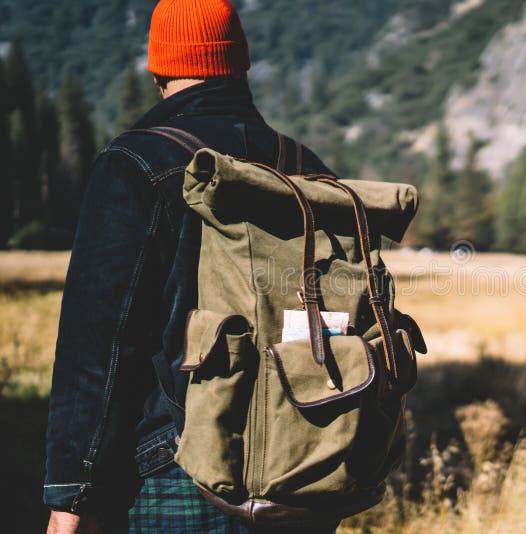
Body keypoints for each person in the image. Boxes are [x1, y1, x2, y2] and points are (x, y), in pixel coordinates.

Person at [44, 1, 334, 532]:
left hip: (182, 462)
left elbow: (100, 343)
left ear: (159, 70)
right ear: (240, 66)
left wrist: (72, 497)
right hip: (304, 463)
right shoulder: (305, 168)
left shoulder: (136, 164)